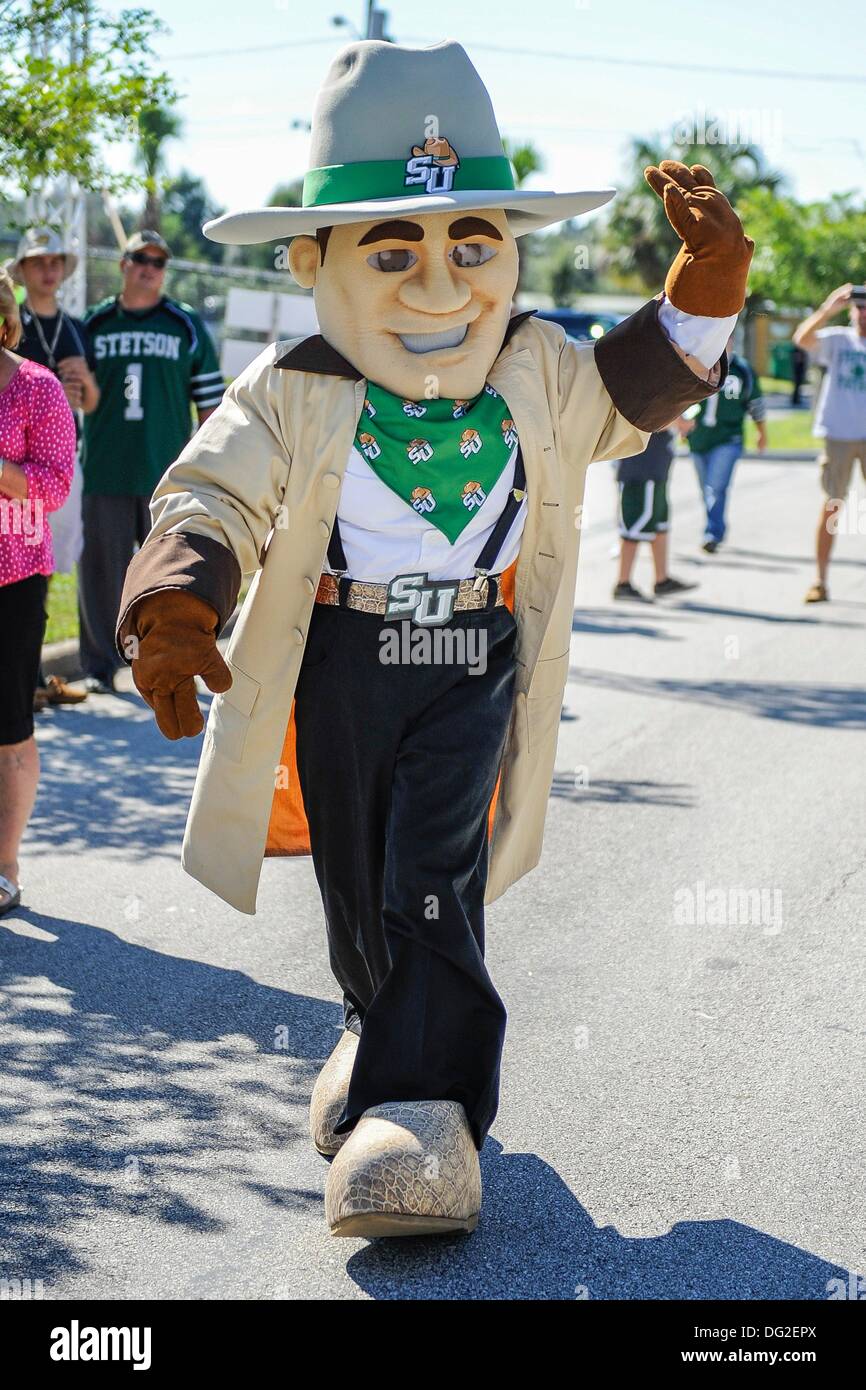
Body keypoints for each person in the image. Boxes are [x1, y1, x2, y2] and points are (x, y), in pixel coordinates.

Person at [112, 41, 751, 1238]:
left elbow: (637, 388)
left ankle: (427, 1111)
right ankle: (373, 1026)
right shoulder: (289, 384)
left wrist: (706, 284)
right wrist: (177, 602)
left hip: (469, 652)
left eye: (470, 246)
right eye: (392, 251)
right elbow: (210, 498)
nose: (439, 286)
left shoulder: (535, 366)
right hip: (344, 656)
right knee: (357, 874)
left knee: (427, 871)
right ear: (317, 262)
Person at [78, 230, 225, 693]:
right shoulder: (95, 324)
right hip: (105, 467)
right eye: (140, 258)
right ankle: (101, 665)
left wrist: (205, 467)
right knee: (102, 572)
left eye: (158, 262)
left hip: (166, 473)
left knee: (168, 574)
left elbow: (210, 406)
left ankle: (167, 662)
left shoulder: (183, 325)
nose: (149, 268)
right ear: (123, 264)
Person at [0, 269, 76, 916]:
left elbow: (54, 488)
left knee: (7, 726)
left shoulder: (37, 389)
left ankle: (5, 866)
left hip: (14, 578)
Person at [8, 227, 100, 708]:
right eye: (39, 261)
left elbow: (94, 401)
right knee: (22, 570)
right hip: (12, 473)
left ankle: (32, 675)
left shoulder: (75, 326)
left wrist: (79, 390)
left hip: (58, 466)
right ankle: (25, 679)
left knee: (45, 567)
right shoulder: (9, 319)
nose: (49, 269)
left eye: (56, 261)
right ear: (21, 270)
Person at [793, 283, 866, 602]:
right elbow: (802, 339)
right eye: (859, 309)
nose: (863, 315)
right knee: (833, 506)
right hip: (838, 434)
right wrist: (827, 308)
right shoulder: (839, 339)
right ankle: (820, 580)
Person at [686, 329, 766, 552]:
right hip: (699, 438)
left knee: (716, 486)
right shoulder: (697, 364)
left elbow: (755, 403)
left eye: (728, 337)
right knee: (706, 488)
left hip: (728, 437)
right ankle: (714, 525)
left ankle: (713, 533)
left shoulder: (741, 370)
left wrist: (762, 432)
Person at [613, 421, 698, 600]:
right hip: (641, 470)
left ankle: (662, 579)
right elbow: (649, 418)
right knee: (634, 528)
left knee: (660, 526)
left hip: (655, 469)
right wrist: (680, 422)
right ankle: (623, 583)